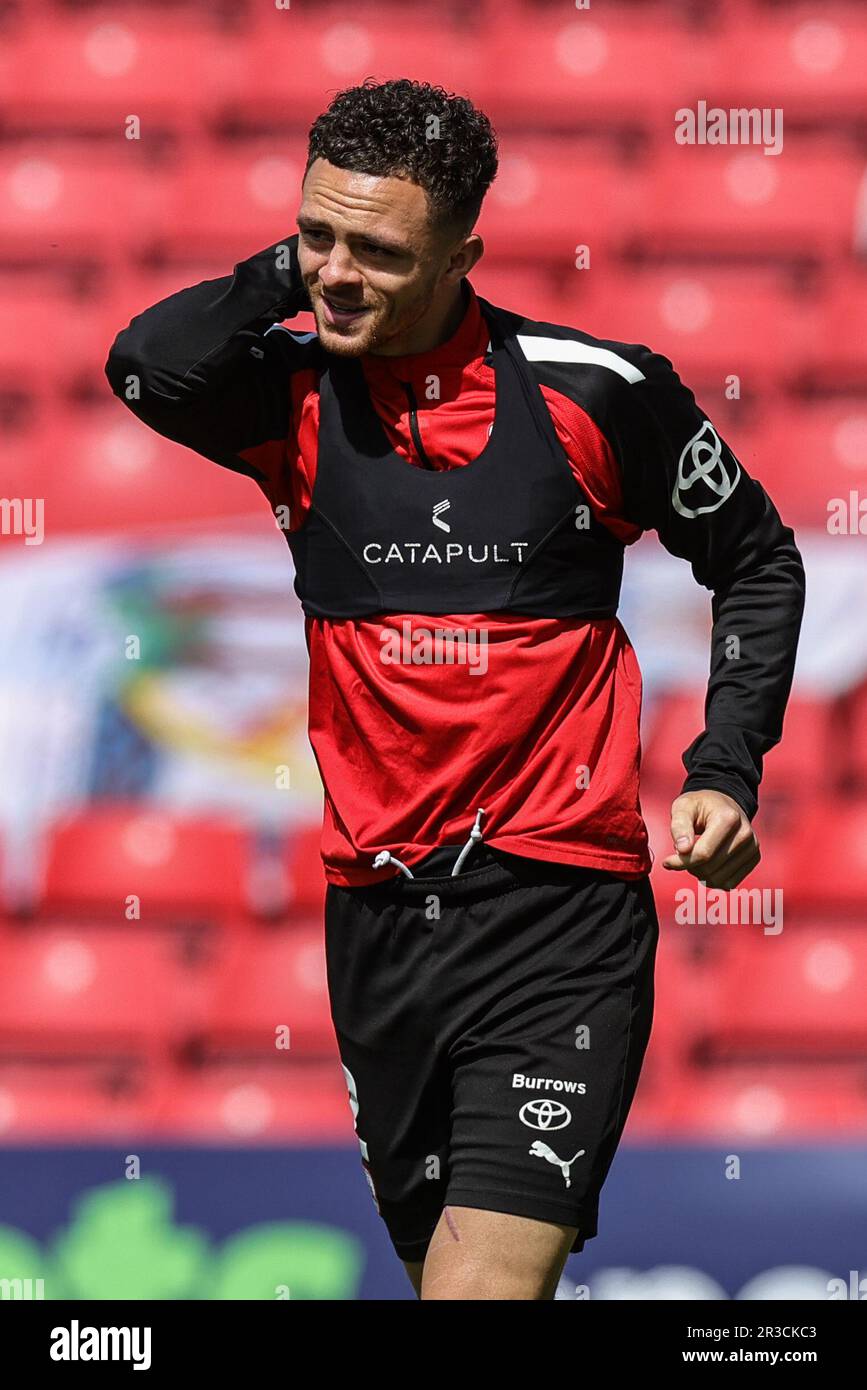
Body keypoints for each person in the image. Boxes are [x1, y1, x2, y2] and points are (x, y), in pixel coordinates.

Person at [105, 78, 806, 1301]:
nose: (336, 273)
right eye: (316, 235)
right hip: (375, 917)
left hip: (556, 914)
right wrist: (300, 266)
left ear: (463, 257)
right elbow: (143, 366)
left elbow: (757, 559)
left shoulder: (597, 393)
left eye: (380, 252)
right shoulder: (293, 392)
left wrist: (726, 764)